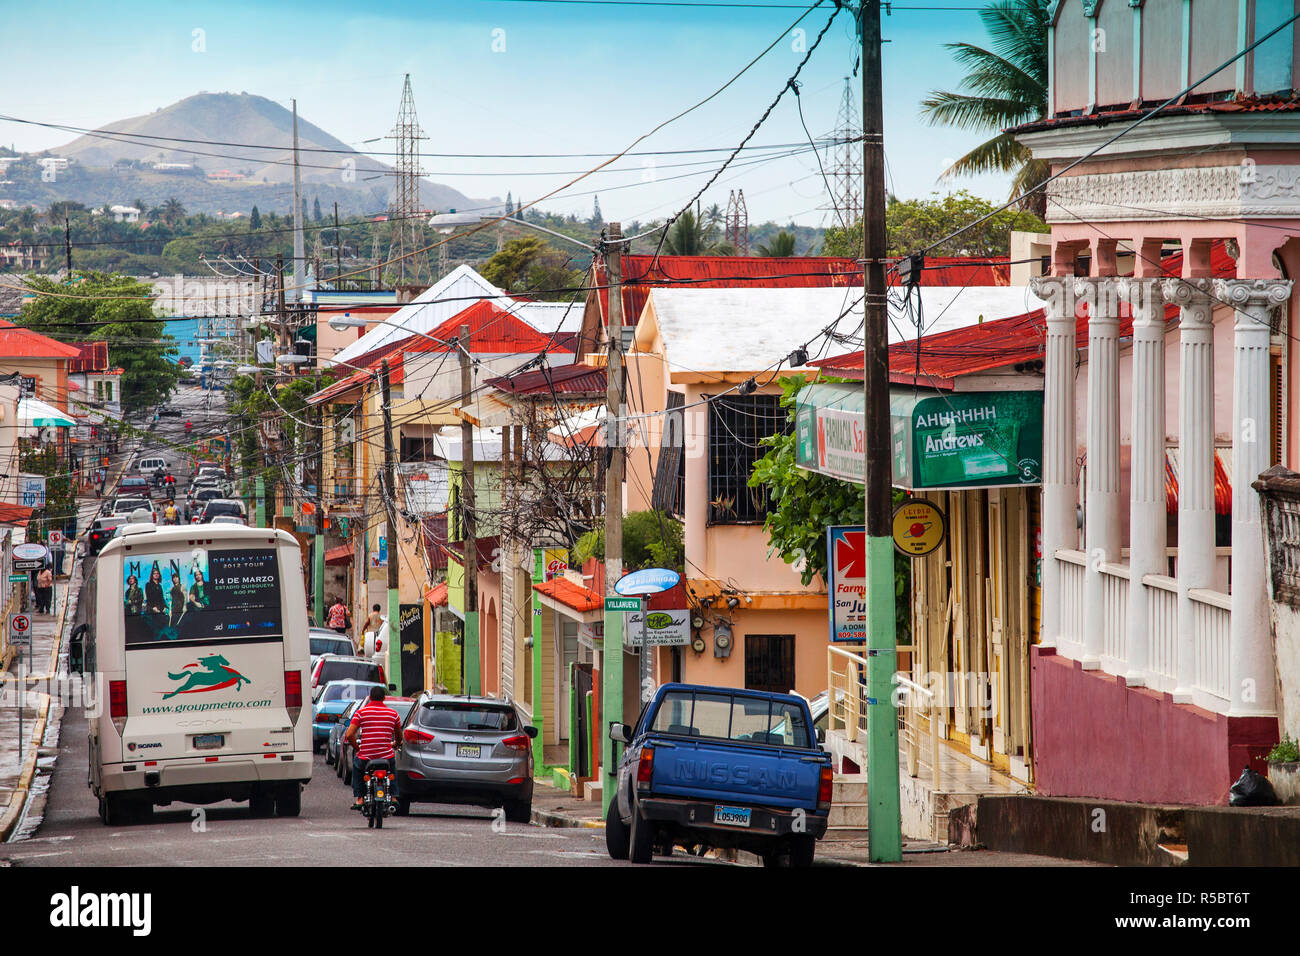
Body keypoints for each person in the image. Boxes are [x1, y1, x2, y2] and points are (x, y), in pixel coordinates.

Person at [342, 686, 402, 810]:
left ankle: (360, 799)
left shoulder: (361, 713)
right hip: (386, 757)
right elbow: (399, 735)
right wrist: (396, 743)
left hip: (366, 756)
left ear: (370, 697)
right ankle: (394, 796)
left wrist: (358, 748)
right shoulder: (393, 714)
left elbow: (349, 734)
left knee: (358, 768)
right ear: (384, 698)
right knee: (392, 770)